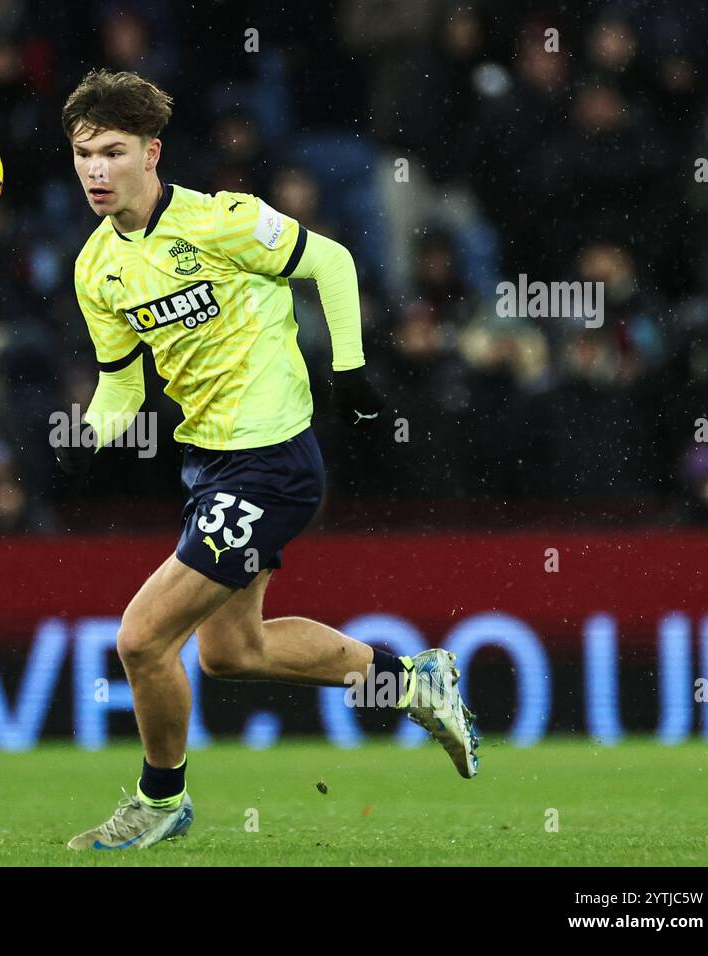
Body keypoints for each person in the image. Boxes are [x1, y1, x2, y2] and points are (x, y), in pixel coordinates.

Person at [54, 70, 480, 852]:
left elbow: (335, 264)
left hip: (272, 460)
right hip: (209, 465)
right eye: (83, 154)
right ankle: (411, 679)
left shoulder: (223, 221)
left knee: (142, 640)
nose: (95, 171)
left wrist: (350, 374)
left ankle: (161, 800)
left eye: (112, 152)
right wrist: (88, 436)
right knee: (231, 652)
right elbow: (121, 382)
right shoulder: (95, 269)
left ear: (152, 154)